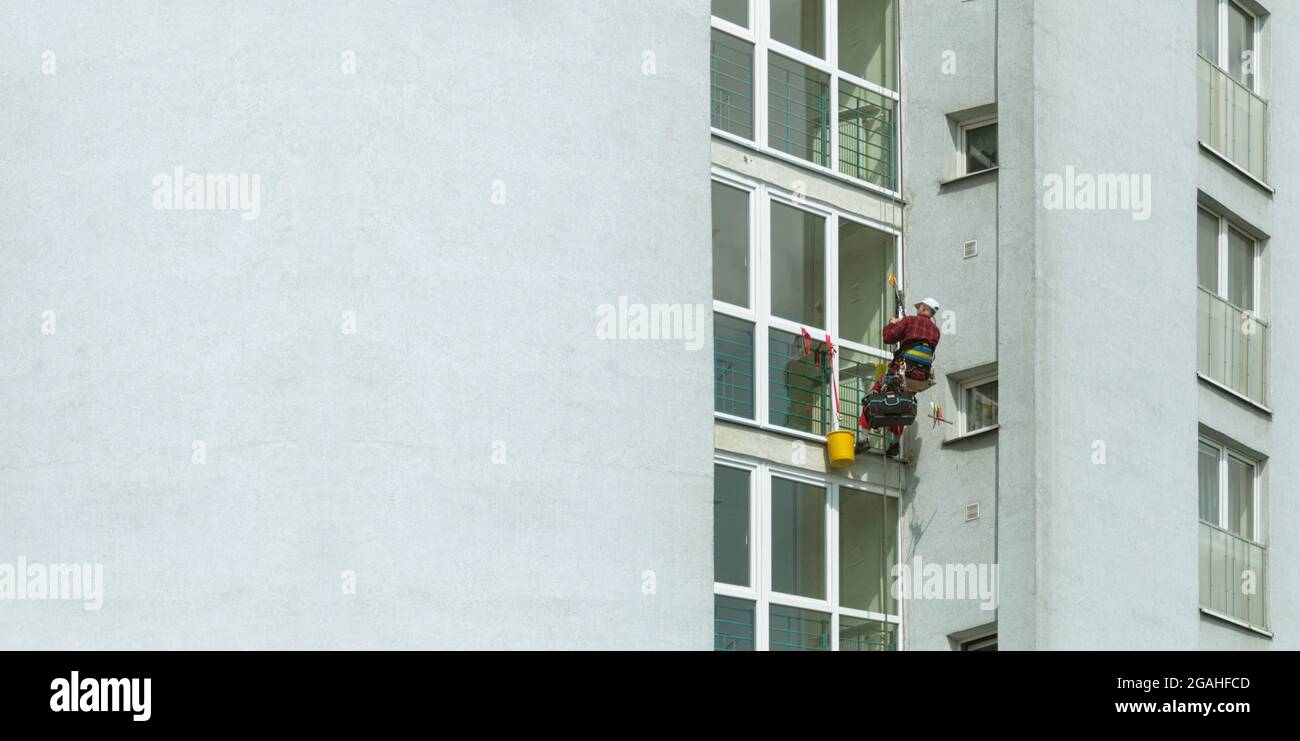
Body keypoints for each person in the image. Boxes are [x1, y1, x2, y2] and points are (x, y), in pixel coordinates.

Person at [859, 298, 942, 458]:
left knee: (872, 398)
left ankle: (863, 439)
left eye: (920, 306)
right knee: (900, 406)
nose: (918, 308)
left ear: (924, 307)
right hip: (919, 380)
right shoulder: (936, 332)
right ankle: (895, 444)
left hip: (900, 374)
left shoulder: (910, 321)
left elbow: (888, 337)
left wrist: (893, 323)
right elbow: (918, 339)